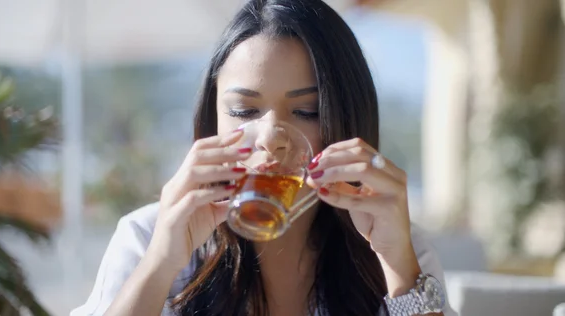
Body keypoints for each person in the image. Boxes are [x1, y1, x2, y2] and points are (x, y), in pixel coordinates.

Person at [71, 0, 457, 315]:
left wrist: (398, 267)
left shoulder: (399, 246)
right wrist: (161, 262)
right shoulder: (146, 237)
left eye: (307, 111)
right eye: (243, 111)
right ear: (213, 119)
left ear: (348, 120)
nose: (271, 140)